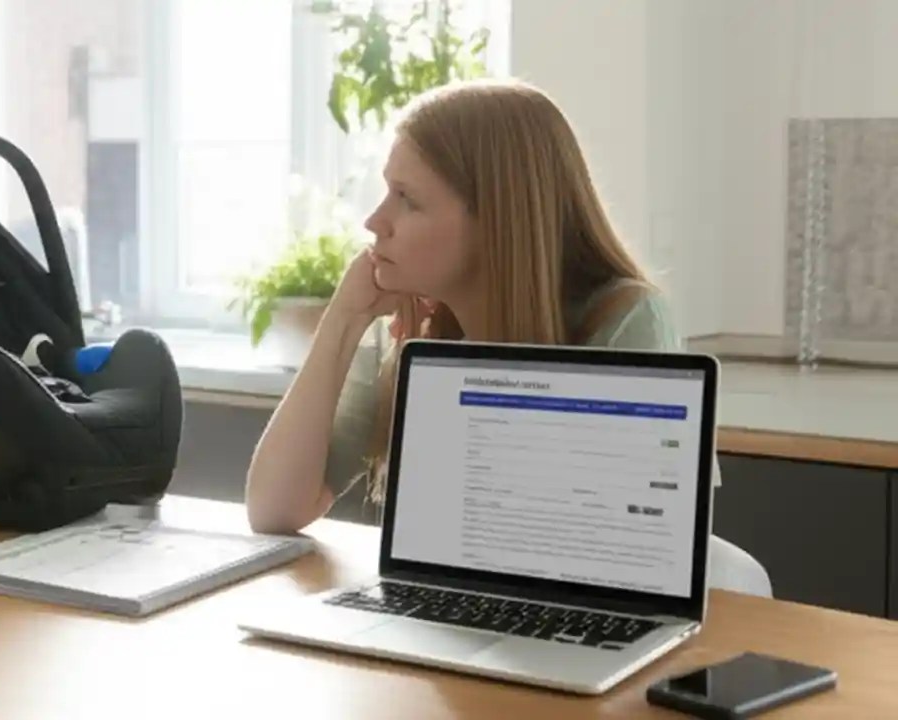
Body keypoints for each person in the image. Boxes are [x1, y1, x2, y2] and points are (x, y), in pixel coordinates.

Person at [243, 78, 749, 558]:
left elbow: (646, 544)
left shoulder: (627, 321)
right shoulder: (408, 329)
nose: (375, 221)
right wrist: (343, 321)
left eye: (408, 199)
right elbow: (274, 509)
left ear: (497, 223)